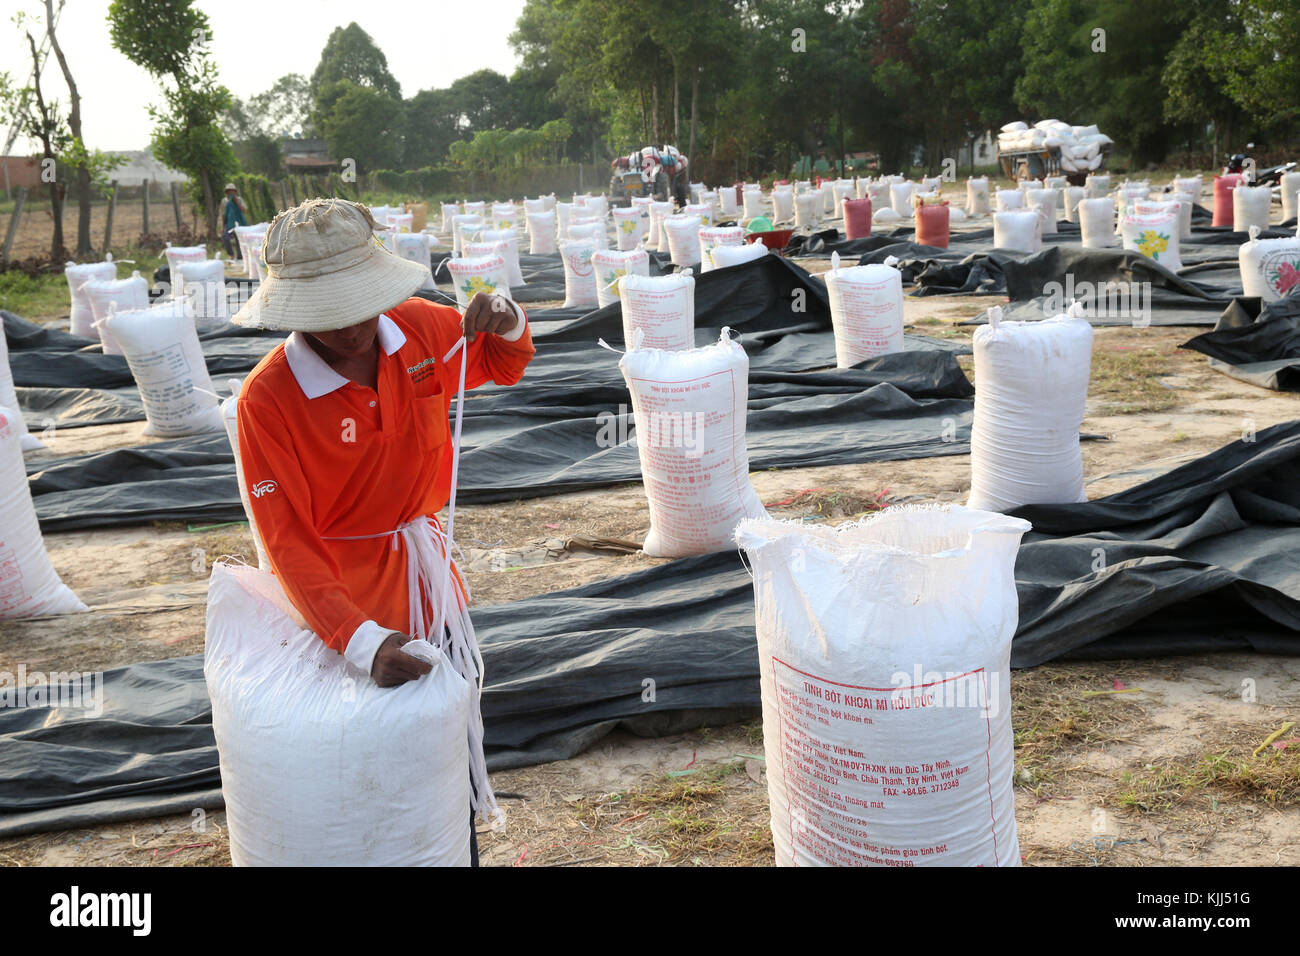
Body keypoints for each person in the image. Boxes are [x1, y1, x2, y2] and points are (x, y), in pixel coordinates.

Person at [230, 198, 535, 865]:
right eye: (329, 313)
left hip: (430, 591)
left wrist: (506, 317)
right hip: (335, 612)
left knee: (439, 758)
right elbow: (287, 543)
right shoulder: (268, 402)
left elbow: (502, 360)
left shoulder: (419, 332)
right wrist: (362, 641)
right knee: (358, 771)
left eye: (361, 303)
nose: (351, 328)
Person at [220, 182, 248, 259]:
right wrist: (223, 227)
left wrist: (237, 202)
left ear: (235, 192)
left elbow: (244, 210)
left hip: (239, 223)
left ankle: (240, 256)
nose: (231, 192)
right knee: (225, 237)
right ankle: (231, 254)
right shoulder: (224, 201)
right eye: (229, 191)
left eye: (232, 191)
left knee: (239, 239)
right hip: (229, 223)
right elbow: (223, 215)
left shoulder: (239, 199)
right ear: (226, 192)